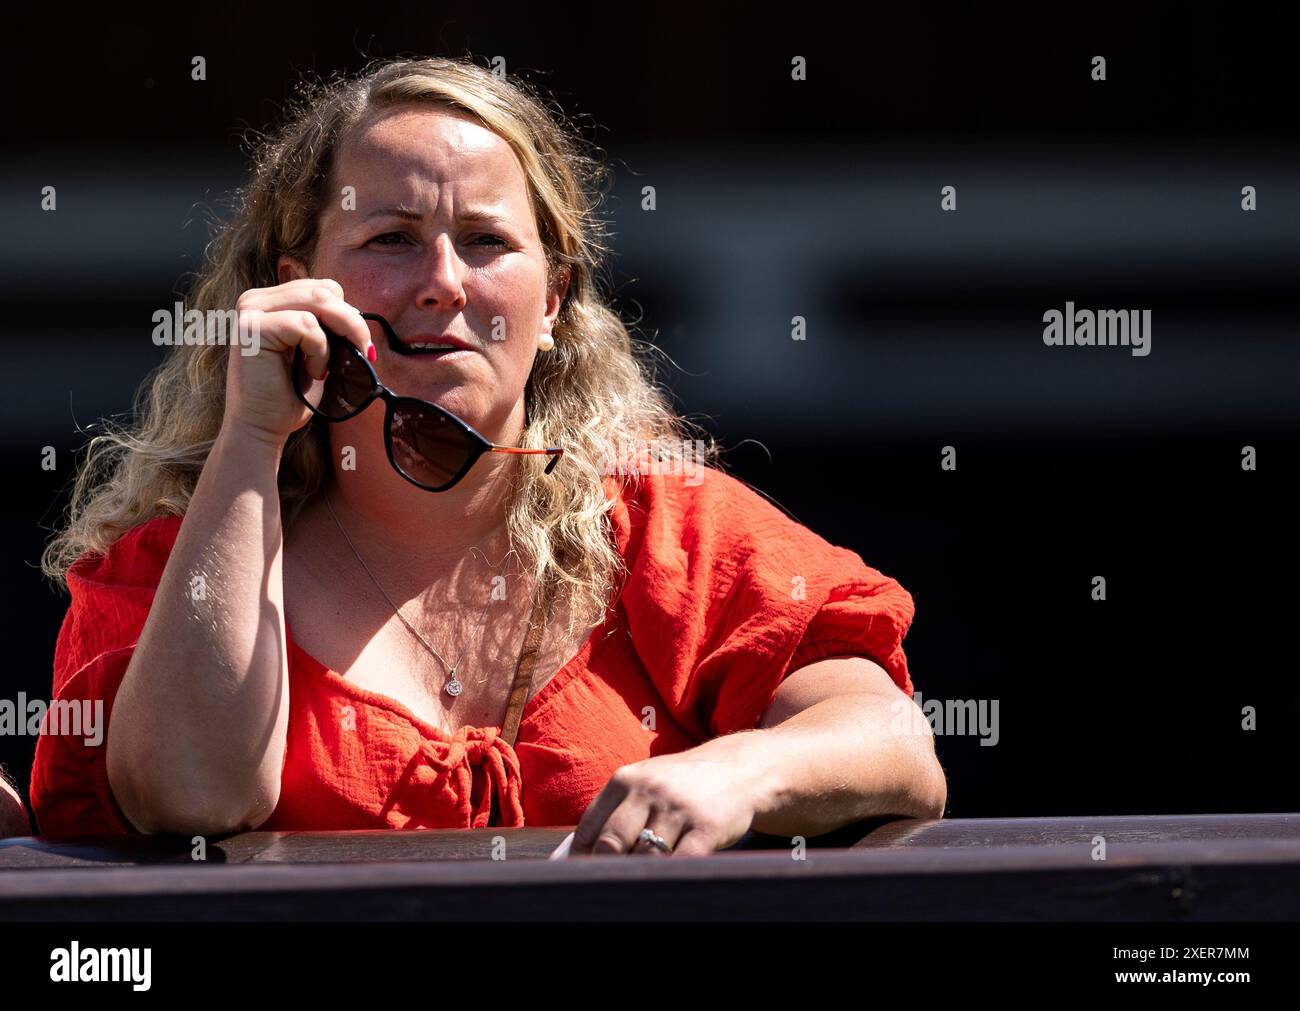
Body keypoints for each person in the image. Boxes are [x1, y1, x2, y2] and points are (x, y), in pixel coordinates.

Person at [32, 57, 945, 856]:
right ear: (293, 287)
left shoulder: (669, 525)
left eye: (486, 241)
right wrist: (251, 436)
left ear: (553, 301)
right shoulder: (169, 566)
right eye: (390, 239)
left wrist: (738, 771)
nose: (441, 283)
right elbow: (195, 794)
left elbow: (894, 739)